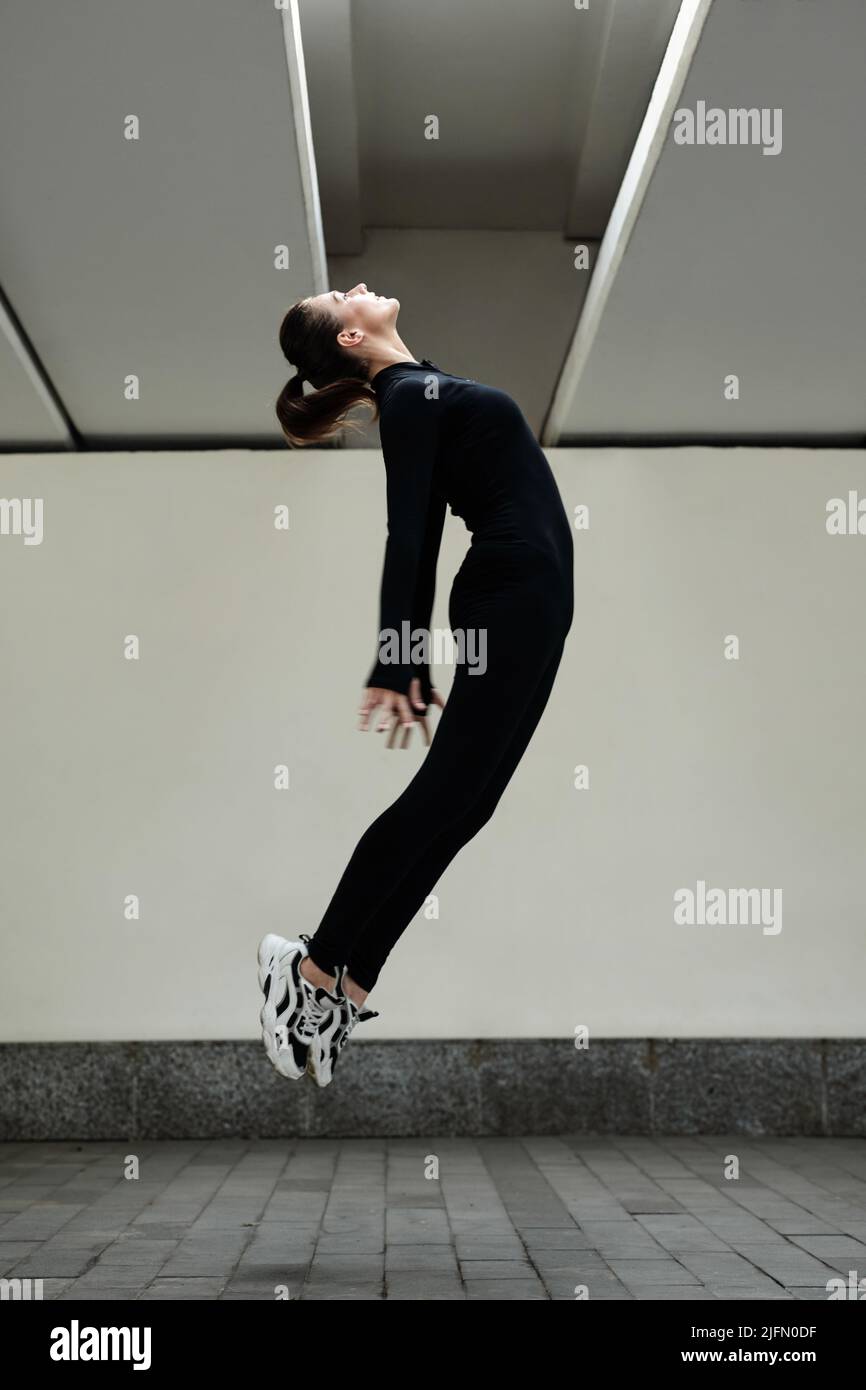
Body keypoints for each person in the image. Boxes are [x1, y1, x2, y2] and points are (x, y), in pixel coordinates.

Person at [259, 284, 573, 1087]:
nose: (355, 286)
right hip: (507, 594)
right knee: (441, 796)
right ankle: (311, 969)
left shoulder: (423, 386)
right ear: (354, 336)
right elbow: (413, 535)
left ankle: (350, 983)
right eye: (340, 296)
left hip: (535, 603)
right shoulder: (406, 400)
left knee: (470, 805)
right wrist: (399, 655)